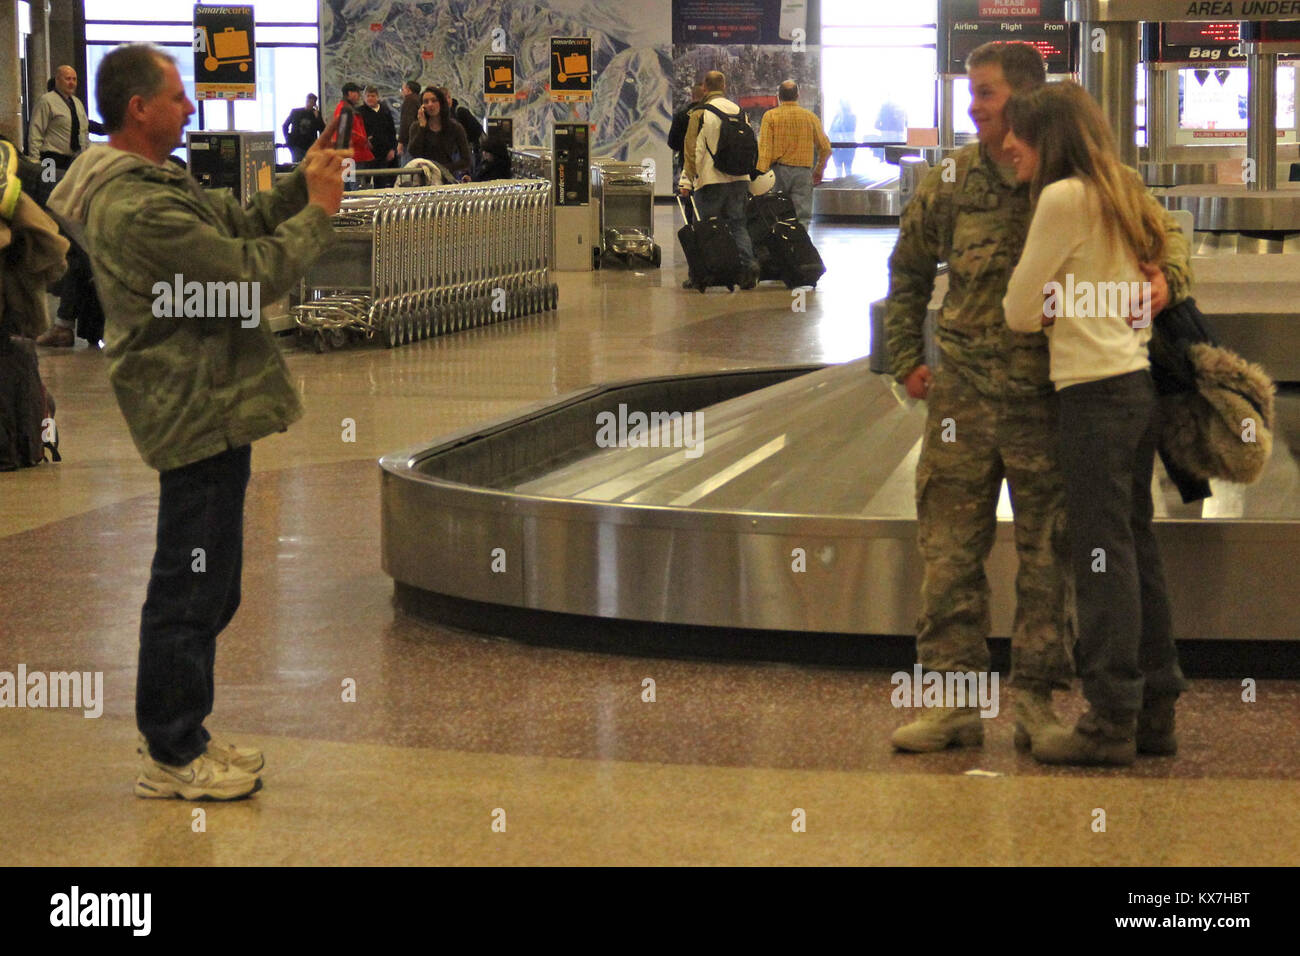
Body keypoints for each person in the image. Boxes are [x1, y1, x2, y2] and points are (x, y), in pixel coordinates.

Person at [47, 42, 347, 800]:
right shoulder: (137, 206)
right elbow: (246, 279)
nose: (191, 107)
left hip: (214, 400)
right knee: (189, 585)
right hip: (192, 403)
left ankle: (187, 730)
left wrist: (296, 186)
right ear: (139, 108)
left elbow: (238, 222)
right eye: (177, 96)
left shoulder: (157, 183)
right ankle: (172, 750)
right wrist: (318, 216)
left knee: (213, 584)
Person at [883, 41, 1191, 754]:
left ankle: (1035, 700)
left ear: (1021, 98)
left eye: (985, 94)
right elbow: (905, 270)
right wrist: (904, 359)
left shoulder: (1077, 175)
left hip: (1049, 399)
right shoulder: (952, 179)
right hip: (962, 395)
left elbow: (1167, 239)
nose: (973, 107)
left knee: (1048, 560)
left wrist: (1167, 279)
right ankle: (953, 704)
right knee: (950, 550)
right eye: (972, 93)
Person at [1001, 82, 1188, 766]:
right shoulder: (1118, 190)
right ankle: (1155, 710)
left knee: (1101, 557)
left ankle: (1109, 719)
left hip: (1091, 397)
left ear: (1048, 136)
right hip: (1134, 388)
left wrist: (1056, 298)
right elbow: (1132, 292)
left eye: (1019, 133)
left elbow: (1020, 309)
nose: (1009, 145)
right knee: (1135, 548)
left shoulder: (1063, 197)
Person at [677, 70, 759, 289]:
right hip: (739, 178)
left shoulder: (700, 113)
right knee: (738, 224)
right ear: (724, 85)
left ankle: (710, 272)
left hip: (710, 180)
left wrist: (686, 181)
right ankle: (748, 266)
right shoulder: (740, 111)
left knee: (710, 229)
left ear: (704, 87)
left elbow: (693, 151)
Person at [755, 80, 831, 231]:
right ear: (798, 95)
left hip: (777, 173)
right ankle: (800, 249)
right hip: (803, 172)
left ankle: (781, 248)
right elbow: (825, 148)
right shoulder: (810, 117)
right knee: (802, 217)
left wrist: (759, 174)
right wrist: (818, 170)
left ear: (779, 96)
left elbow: (764, 149)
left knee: (776, 214)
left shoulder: (770, 116)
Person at [26, 66, 104, 176]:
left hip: (74, 160)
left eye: (74, 79)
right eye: (68, 79)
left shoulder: (77, 103)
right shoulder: (46, 101)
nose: (71, 83)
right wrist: (35, 161)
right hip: (51, 158)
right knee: (49, 190)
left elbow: (84, 130)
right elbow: (36, 132)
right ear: (57, 80)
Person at [408, 86, 472, 182]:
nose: (430, 105)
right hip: (423, 178)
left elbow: (466, 160)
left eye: (434, 100)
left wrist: (441, 169)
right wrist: (422, 127)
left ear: (441, 103)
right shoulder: (416, 127)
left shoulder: (455, 127)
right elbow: (414, 152)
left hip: (446, 178)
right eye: (426, 102)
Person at [334, 82, 373, 189]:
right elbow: (345, 133)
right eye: (357, 92)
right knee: (354, 188)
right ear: (350, 93)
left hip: (352, 154)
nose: (359, 95)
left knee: (351, 185)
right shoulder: (345, 109)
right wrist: (363, 140)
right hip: (352, 155)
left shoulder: (345, 108)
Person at [668, 81, 706, 186]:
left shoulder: (681, 116)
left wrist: (685, 146)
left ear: (692, 96)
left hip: (686, 165)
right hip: (707, 166)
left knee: (689, 198)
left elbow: (672, 143)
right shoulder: (710, 115)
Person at [360, 86, 397, 169]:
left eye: (372, 96)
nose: (370, 98)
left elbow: (392, 131)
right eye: (368, 96)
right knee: (364, 180)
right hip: (366, 152)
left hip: (384, 153)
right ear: (364, 97)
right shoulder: (360, 112)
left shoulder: (385, 111)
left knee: (382, 179)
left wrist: (392, 149)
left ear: (377, 97)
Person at [282, 93, 325, 163]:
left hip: (310, 146)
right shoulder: (296, 112)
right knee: (297, 165)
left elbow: (322, 129)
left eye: (312, 102)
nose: (309, 104)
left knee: (310, 167)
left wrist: (317, 117)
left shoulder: (315, 114)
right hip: (296, 145)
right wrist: (288, 139)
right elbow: (285, 126)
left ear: (314, 104)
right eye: (308, 101)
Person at [829, 99, 856, 179]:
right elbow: (831, 131)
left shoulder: (851, 117)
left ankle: (848, 186)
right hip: (837, 148)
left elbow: (849, 130)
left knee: (848, 170)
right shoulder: (836, 117)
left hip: (848, 147)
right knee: (838, 170)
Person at [397, 80, 421, 164]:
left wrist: (401, 142)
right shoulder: (418, 99)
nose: (402, 92)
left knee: (407, 170)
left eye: (402, 89)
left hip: (409, 143)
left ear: (408, 89)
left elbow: (406, 122)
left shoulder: (409, 100)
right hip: (418, 141)